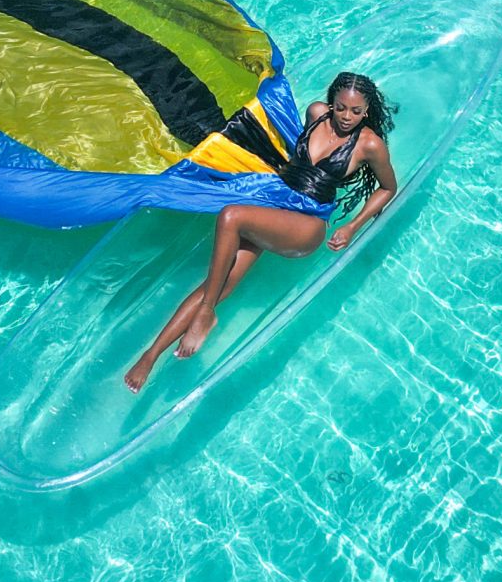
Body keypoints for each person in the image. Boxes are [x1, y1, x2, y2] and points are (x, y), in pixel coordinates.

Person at [125, 72, 399, 391]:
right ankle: (151, 354)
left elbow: (388, 187)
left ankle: (207, 313)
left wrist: (352, 226)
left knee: (231, 216)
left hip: (307, 225)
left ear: (366, 111)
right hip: (276, 204)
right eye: (341, 108)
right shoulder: (314, 113)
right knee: (215, 283)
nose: (347, 117)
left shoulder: (369, 144)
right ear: (331, 102)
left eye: (356, 111)